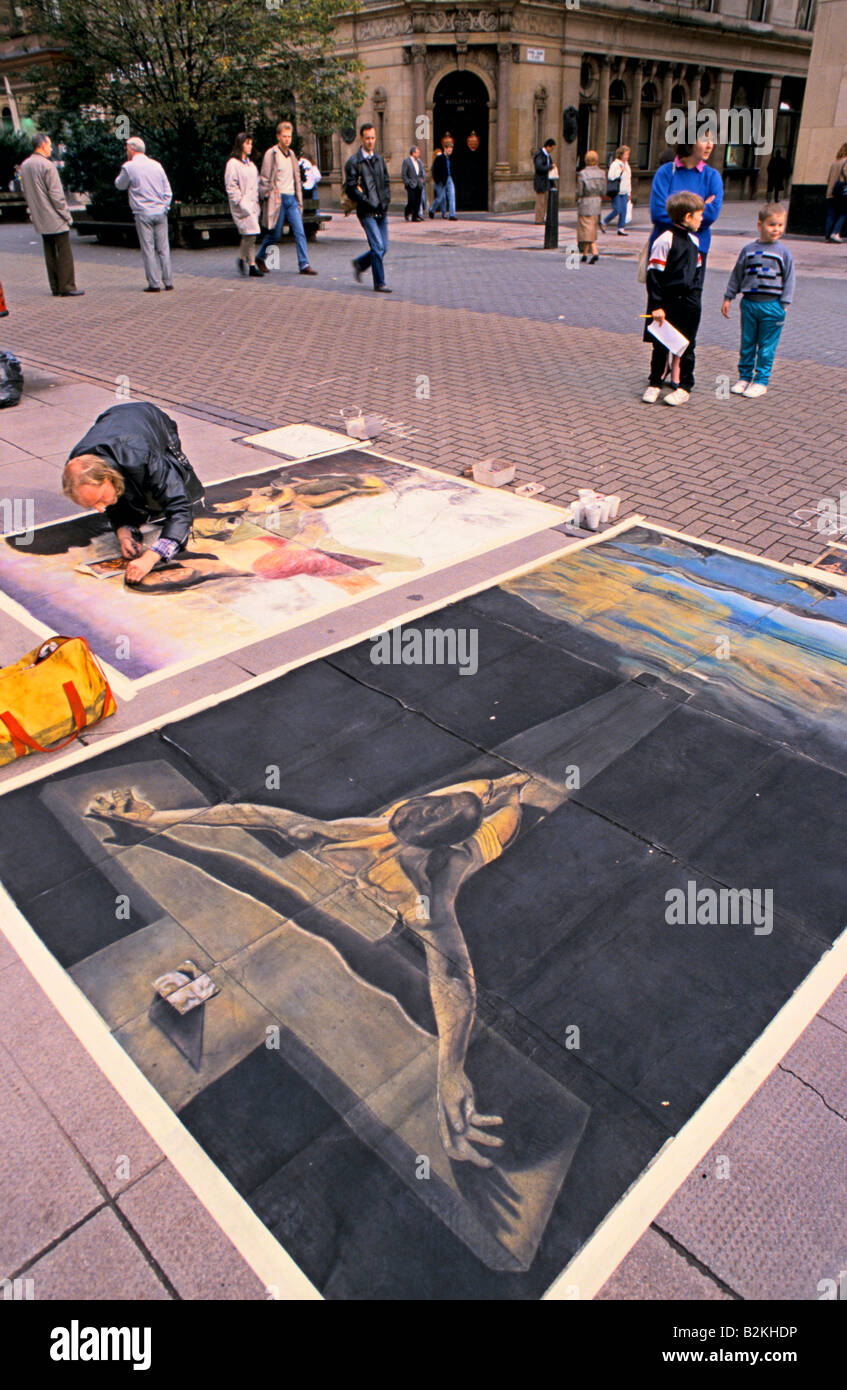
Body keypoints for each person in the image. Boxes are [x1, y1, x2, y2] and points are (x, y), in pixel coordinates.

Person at [61, 402, 203, 585]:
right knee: (121, 497)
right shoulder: (77, 468)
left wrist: (151, 557)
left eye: (97, 500)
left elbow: (180, 508)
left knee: (174, 493)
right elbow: (113, 499)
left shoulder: (142, 456)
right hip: (113, 419)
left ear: (107, 477)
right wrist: (123, 530)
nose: (98, 509)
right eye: (91, 505)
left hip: (151, 419)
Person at [721, 202, 794, 399]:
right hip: (749, 302)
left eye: (780, 225)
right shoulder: (748, 249)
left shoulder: (784, 252)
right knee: (747, 342)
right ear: (760, 225)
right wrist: (729, 296)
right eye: (772, 225)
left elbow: (789, 278)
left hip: (773, 305)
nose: (776, 229)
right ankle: (744, 377)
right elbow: (737, 274)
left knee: (767, 346)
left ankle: (761, 380)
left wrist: (784, 304)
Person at [642, 190, 704, 407]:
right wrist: (657, 304)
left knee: (687, 344)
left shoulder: (694, 241)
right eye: (699, 214)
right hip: (667, 301)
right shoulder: (664, 240)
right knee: (660, 344)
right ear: (687, 217)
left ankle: (686, 386)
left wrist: (695, 297)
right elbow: (654, 275)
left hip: (688, 302)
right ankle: (655, 382)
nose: (701, 218)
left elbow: (697, 273)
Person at [18, 132, 83, 297]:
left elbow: (26, 191)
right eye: (49, 145)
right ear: (42, 145)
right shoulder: (47, 166)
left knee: (50, 252)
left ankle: (55, 286)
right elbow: (56, 196)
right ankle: (67, 286)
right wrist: (67, 216)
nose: (51, 148)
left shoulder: (24, 166)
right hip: (54, 216)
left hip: (40, 216)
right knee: (64, 252)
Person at [649, 136, 723, 267]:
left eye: (712, 140)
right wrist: (698, 210)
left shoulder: (712, 177)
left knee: (692, 287)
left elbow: (711, 215)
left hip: (696, 250)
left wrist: (675, 213)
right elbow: (658, 214)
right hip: (664, 249)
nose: (710, 145)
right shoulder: (666, 173)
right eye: (704, 140)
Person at [255, 121, 317, 276]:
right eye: (284, 136)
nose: (287, 139)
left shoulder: (292, 155)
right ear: (278, 137)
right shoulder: (272, 153)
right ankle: (260, 257)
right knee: (275, 234)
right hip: (277, 199)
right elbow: (264, 177)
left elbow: (297, 178)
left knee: (299, 232)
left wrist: (299, 200)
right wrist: (266, 195)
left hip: (291, 199)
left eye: (289, 136)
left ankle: (304, 264)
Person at [115, 137, 174, 293]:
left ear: (133, 149)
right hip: (160, 212)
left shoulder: (129, 167)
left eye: (127, 148)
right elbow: (167, 190)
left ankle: (154, 283)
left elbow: (119, 185)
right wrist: (165, 206)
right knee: (163, 248)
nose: (126, 151)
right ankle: (168, 281)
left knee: (148, 248)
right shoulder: (157, 165)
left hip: (142, 212)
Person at [345, 123, 392, 293]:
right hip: (366, 211)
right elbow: (351, 188)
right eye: (367, 138)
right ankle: (379, 283)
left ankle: (360, 263)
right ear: (362, 139)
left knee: (383, 247)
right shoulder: (354, 162)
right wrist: (367, 201)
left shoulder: (379, 160)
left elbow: (386, 182)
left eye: (373, 138)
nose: (370, 141)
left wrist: (386, 200)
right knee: (377, 246)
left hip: (381, 209)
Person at [225, 133, 261, 277]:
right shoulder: (233, 164)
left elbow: (256, 184)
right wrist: (239, 202)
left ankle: (247, 263)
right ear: (240, 145)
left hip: (252, 205)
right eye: (247, 143)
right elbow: (231, 185)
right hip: (242, 205)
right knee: (250, 233)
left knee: (250, 235)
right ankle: (248, 263)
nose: (250, 146)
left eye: (251, 143)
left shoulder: (251, 165)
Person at [575, 150, 605, 263]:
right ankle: (584, 254)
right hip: (596, 203)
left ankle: (594, 251)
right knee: (592, 228)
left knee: (585, 229)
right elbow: (603, 191)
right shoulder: (601, 173)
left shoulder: (583, 174)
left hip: (585, 203)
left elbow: (580, 192)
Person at [600, 145, 631, 236]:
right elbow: (611, 176)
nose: (627, 157)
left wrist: (629, 192)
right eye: (625, 155)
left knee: (624, 210)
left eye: (628, 155)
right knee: (617, 209)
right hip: (617, 190)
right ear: (620, 155)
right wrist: (619, 172)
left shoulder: (627, 164)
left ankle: (621, 228)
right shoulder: (615, 164)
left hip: (625, 190)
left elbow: (628, 178)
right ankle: (604, 221)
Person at [429, 136, 457, 219]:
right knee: (440, 198)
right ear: (445, 148)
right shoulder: (439, 158)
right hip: (440, 181)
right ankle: (432, 209)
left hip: (449, 178)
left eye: (451, 150)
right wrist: (437, 180)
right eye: (449, 149)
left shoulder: (450, 158)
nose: (450, 151)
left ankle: (452, 215)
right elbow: (435, 171)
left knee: (452, 195)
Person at [824, 142, 847, 243]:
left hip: (830, 192)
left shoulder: (835, 162)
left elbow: (829, 179)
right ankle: (835, 233)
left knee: (831, 215)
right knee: (844, 213)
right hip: (841, 193)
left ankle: (828, 235)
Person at [533, 138, 556, 224]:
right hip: (540, 182)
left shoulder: (547, 156)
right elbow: (539, 168)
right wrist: (550, 166)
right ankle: (539, 219)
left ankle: (542, 218)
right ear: (548, 146)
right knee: (540, 202)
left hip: (546, 182)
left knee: (544, 202)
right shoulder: (540, 155)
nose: (552, 150)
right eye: (552, 148)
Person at [401, 146, 425, 221]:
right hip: (411, 184)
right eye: (417, 152)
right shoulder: (407, 161)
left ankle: (415, 216)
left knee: (418, 201)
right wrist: (407, 182)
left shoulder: (419, 162)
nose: (419, 154)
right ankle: (407, 212)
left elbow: (421, 172)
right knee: (411, 200)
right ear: (413, 153)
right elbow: (404, 174)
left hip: (418, 184)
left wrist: (422, 179)